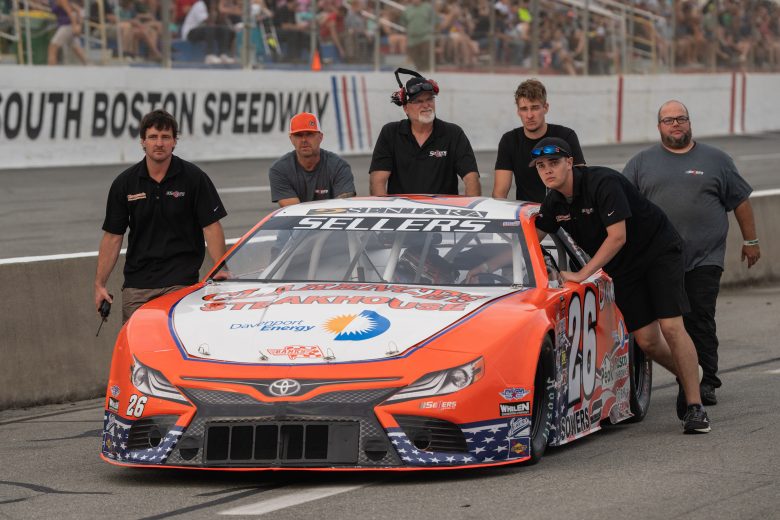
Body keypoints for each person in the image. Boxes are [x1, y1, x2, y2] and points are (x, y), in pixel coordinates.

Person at [530, 136, 711, 434]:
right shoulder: (553, 201)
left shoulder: (603, 182)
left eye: (554, 163)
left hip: (657, 252)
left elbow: (618, 237)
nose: (548, 170)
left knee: (670, 326)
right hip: (622, 267)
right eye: (541, 166)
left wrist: (582, 274)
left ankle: (695, 407)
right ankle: (689, 372)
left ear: (570, 162)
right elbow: (533, 239)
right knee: (647, 341)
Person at [623, 100, 760, 406]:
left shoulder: (717, 160)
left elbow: (740, 201)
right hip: (656, 261)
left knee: (699, 318)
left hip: (704, 258)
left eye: (681, 118)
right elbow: (622, 208)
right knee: (666, 328)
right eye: (668, 120)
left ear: (689, 122)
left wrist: (751, 241)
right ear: (659, 126)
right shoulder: (640, 163)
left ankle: (706, 381)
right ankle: (689, 375)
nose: (676, 124)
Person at [94, 109, 227, 323]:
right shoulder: (125, 183)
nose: (159, 143)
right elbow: (113, 236)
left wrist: (221, 268)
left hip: (181, 283)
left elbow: (211, 227)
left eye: (165, 137)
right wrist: (100, 285)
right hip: (137, 286)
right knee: (137, 352)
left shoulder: (195, 178)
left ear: (175, 141)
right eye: (153, 137)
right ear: (142, 142)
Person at [369, 70, 481, 196]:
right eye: (418, 101)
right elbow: (377, 181)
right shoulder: (390, 133)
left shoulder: (453, 133)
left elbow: (471, 178)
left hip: (444, 212)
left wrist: (469, 211)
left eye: (429, 99)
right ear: (405, 108)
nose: (426, 105)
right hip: (401, 211)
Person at [493, 78, 584, 202]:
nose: (529, 115)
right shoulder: (509, 141)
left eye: (535, 108)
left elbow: (582, 183)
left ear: (545, 108)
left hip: (564, 212)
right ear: (518, 111)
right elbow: (500, 193)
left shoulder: (566, 136)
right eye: (524, 109)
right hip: (527, 215)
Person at [269, 112, 356, 207]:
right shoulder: (280, 170)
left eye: (309, 134)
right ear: (291, 139)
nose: (304, 140)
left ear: (320, 137)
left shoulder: (339, 166)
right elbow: (294, 211)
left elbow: (344, 206)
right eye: (298, 135)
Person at [47, 0, 88, 65]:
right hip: (67, 26)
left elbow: (71, 13)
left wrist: (76, 26)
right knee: (78, 50)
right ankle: (91, 66)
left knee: (52, 48)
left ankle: (52, 72)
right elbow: (79, 10)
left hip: (66, 26)